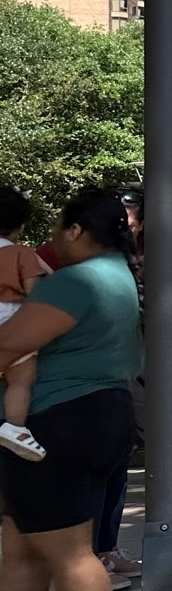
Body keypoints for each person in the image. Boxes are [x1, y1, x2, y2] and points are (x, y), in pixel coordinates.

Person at [0, 188, 143, 591]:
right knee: (24, 544)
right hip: (99, 416)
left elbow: (9, 343)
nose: (54, 237)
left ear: (77, 229)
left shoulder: (76, 281)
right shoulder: (118, 275)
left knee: (68, 552)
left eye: (60, 227)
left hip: (55, 422)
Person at [0, 185, 50, 463]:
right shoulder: (22, 254)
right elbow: (35, 295)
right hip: (10, 321)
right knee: (21, 378)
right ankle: (14, 427)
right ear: (19, 225)